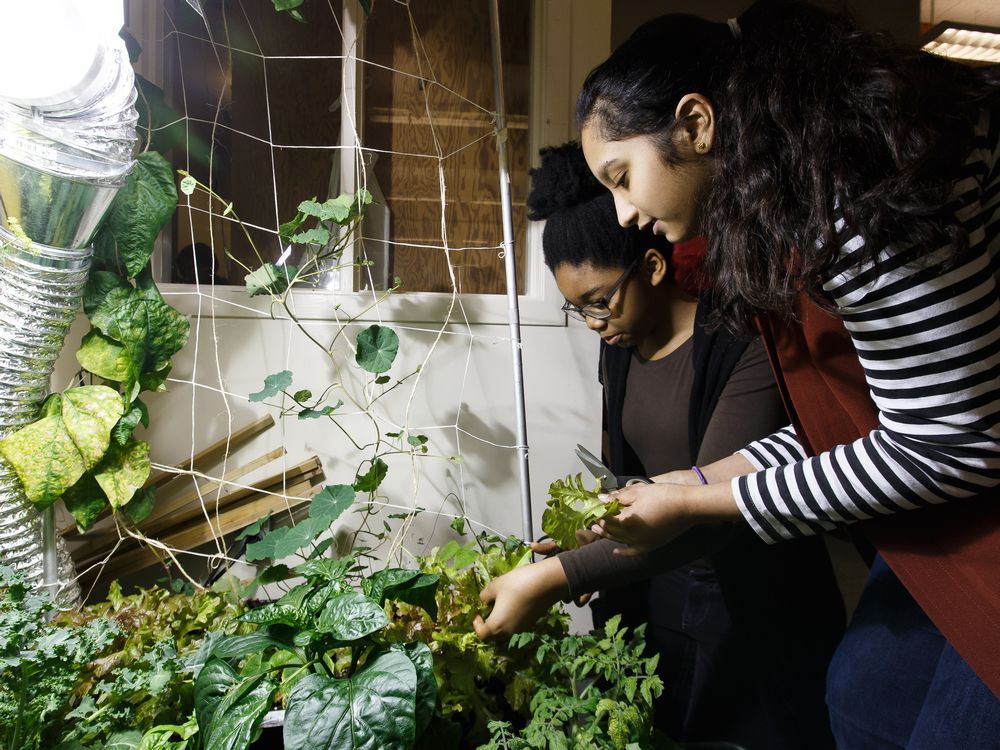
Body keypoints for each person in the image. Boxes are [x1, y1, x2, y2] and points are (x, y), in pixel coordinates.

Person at [562, 1, 1000, 746]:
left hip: (974, 483)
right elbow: (850, 429)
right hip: (960, 482)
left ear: (696, 123)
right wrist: (689, 483)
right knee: (862, 699)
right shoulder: (793, 201)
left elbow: (948, 443)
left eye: (622, 176)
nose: (624, 213)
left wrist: (701, 503)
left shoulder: (860, 198)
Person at [474, 142, 845, 748]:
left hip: (750, 602)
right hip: (660, 587)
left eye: (600, 301)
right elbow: (627, 479)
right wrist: (586, 537)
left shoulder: (742, 342)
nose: (594, 324)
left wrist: (556, 579)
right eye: (578, 309)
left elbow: (713, 515)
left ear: (651, 267)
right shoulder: (622, 347)